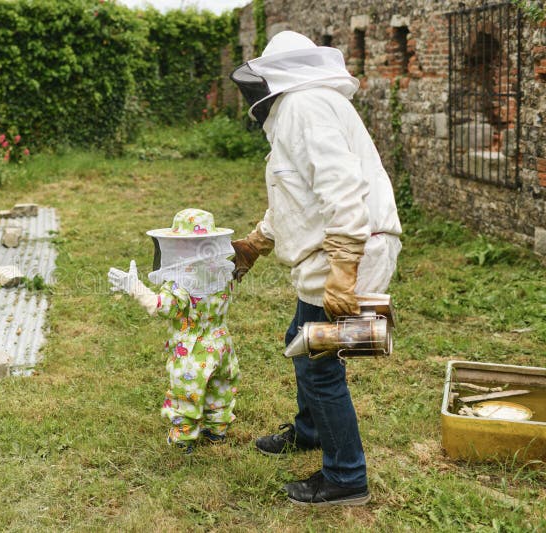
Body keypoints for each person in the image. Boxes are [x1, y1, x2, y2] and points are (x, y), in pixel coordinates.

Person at [230, 31, 402, 505]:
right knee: (302, 340)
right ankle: (309, 430)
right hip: (339, 247)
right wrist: (255, 243)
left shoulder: (306, 107)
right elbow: (298, 198)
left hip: (347, 248)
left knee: (320, 369)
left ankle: (346, 478)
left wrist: (345, 268)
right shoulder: (304, 110)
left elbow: (341, 190)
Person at [108, 209, 240, 454]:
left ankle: (184, 437)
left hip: (191, 350)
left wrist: (134, 287)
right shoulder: (224, 272)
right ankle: (217, 430)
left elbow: (160, 306)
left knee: (186, 391)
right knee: (220, 384)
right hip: (221, 341)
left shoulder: (182, 284)